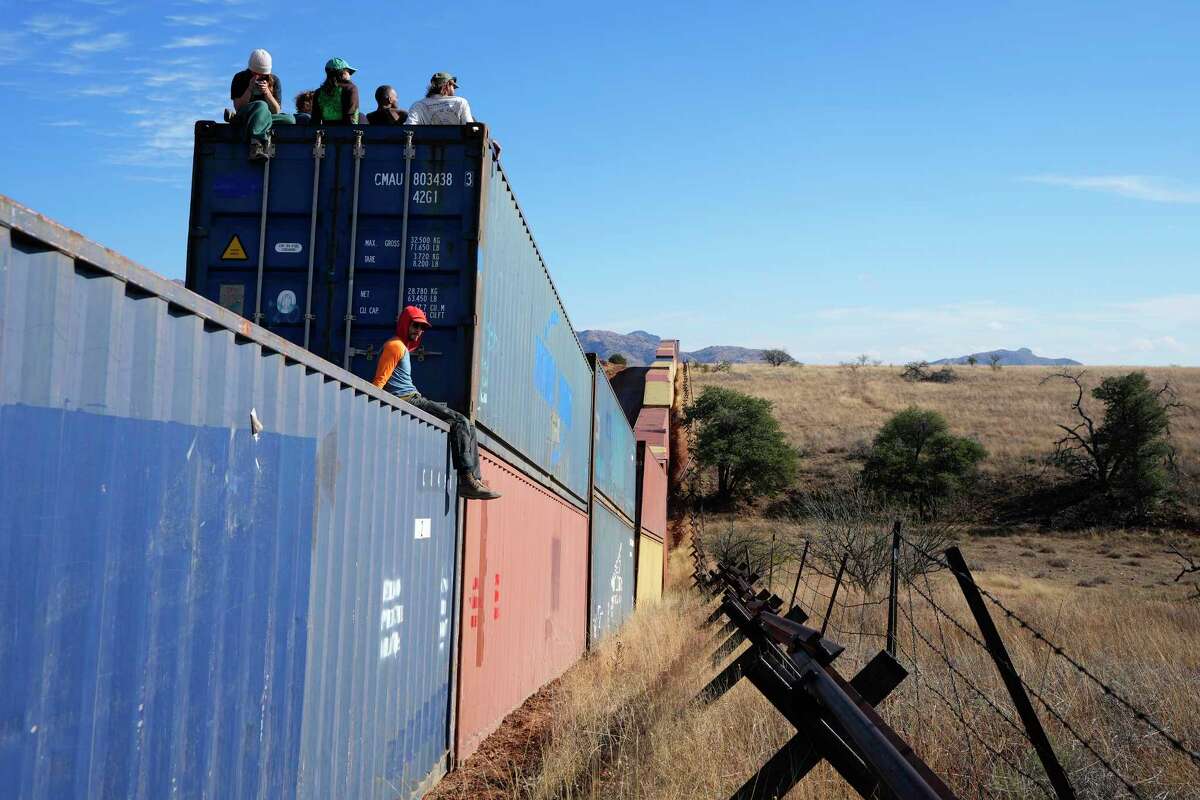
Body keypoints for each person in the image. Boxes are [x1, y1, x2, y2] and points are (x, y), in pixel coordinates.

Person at [373, 306, 501, 500]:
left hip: (413, 397)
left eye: (422, 328)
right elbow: (379, 383)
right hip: (407, 399)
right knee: (458, 421)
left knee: (468, 425)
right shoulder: (395, 346)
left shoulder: (402, 348)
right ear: (405, 324)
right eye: (415, 325)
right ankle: (466, 480)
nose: (419, 331)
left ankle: (475, 479)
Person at [229, 49, 294, 160]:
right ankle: (256, 144)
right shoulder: (239, 78)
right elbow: (238, 107)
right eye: (256, 74)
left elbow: (276, 111)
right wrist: (249, 89)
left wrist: (267, 92)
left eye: (263, 75)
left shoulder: (275, 80)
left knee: (290, 119)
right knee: (261, 105)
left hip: (266, 116)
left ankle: (238, 120)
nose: (259, 77)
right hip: (246, 113)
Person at [406, 72, 473, 124]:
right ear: (447, 85)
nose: (454, 90)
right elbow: (470, 128)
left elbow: (409, 126)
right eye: (453, 87)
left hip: (426, 141)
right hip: (456, 142)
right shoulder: (461, 102)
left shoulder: (418, 105)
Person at [312, 57, 362, 125]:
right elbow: (351, 116)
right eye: (349, 72)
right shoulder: (351, 89)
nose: (350, 75)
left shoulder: (318, 92)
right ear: (343, 73)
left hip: (325, 134)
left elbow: (315, 120)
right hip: (347, 133)